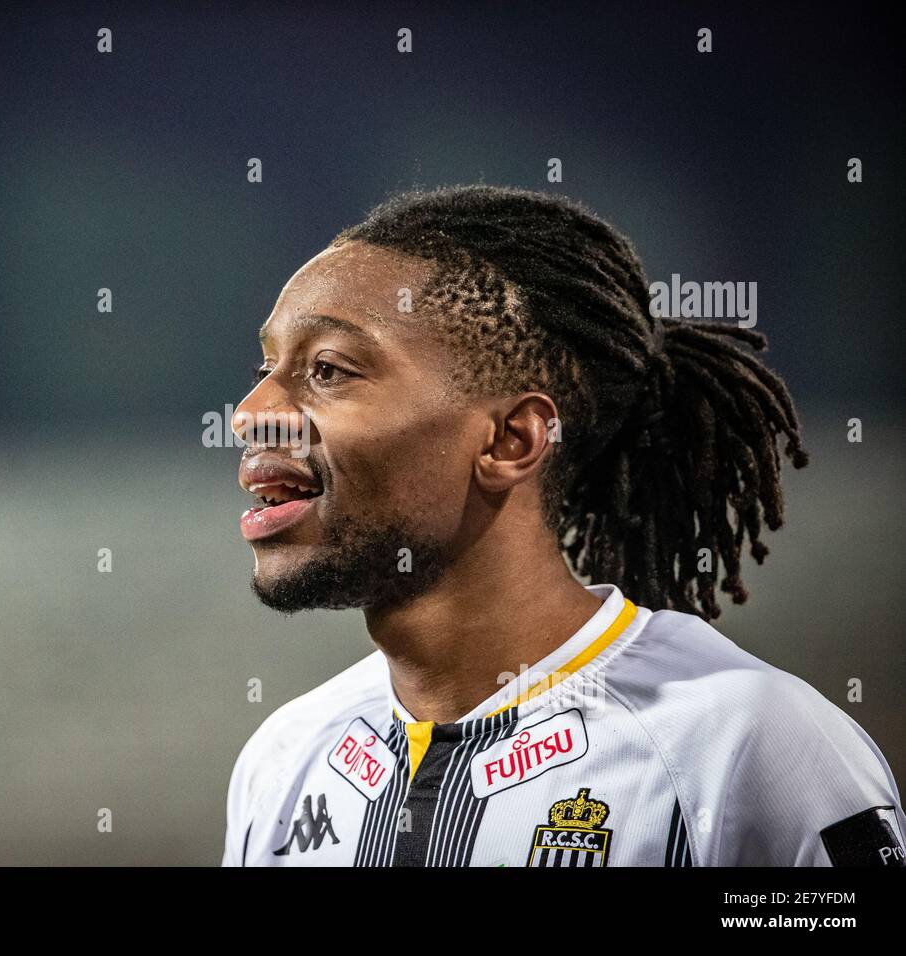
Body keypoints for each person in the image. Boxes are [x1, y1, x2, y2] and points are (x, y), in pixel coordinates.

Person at [221, 185, 903, 867]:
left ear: (511, 442)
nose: (251, 412)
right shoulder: (285, 760)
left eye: (327, 370)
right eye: (265, 368)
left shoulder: (747, 746)